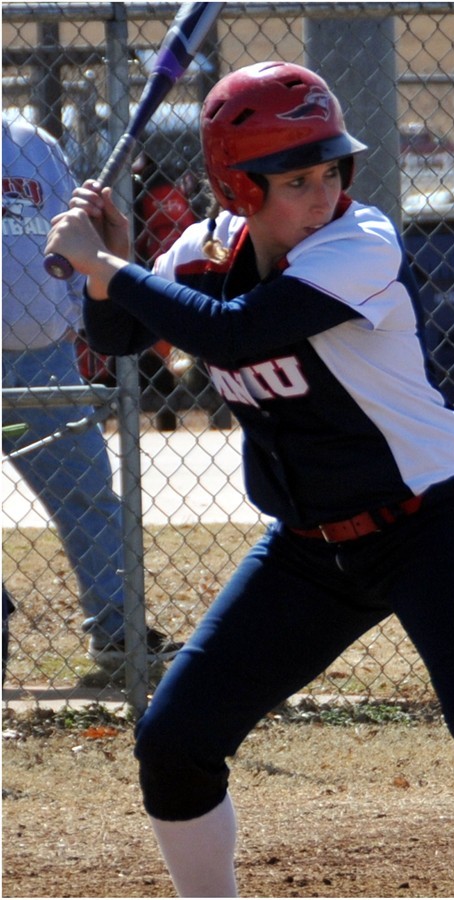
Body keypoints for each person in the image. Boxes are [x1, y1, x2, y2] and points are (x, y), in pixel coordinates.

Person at [47, 61, 454, 898]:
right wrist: (109, 268)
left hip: (426, 527)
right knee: (175, 740)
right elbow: (120, 335)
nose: (324, 192)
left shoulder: (361, 244)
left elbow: (238, 336)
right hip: (308, 552)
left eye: (332, 168)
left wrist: (114, 271)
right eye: (296, 178)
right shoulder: (202, 253)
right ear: (239, 188)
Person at [2, 117, 185, 679]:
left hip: (41, 357)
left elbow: (69, 237)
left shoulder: (32, 143)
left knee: (87, 495)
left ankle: (118, 632)